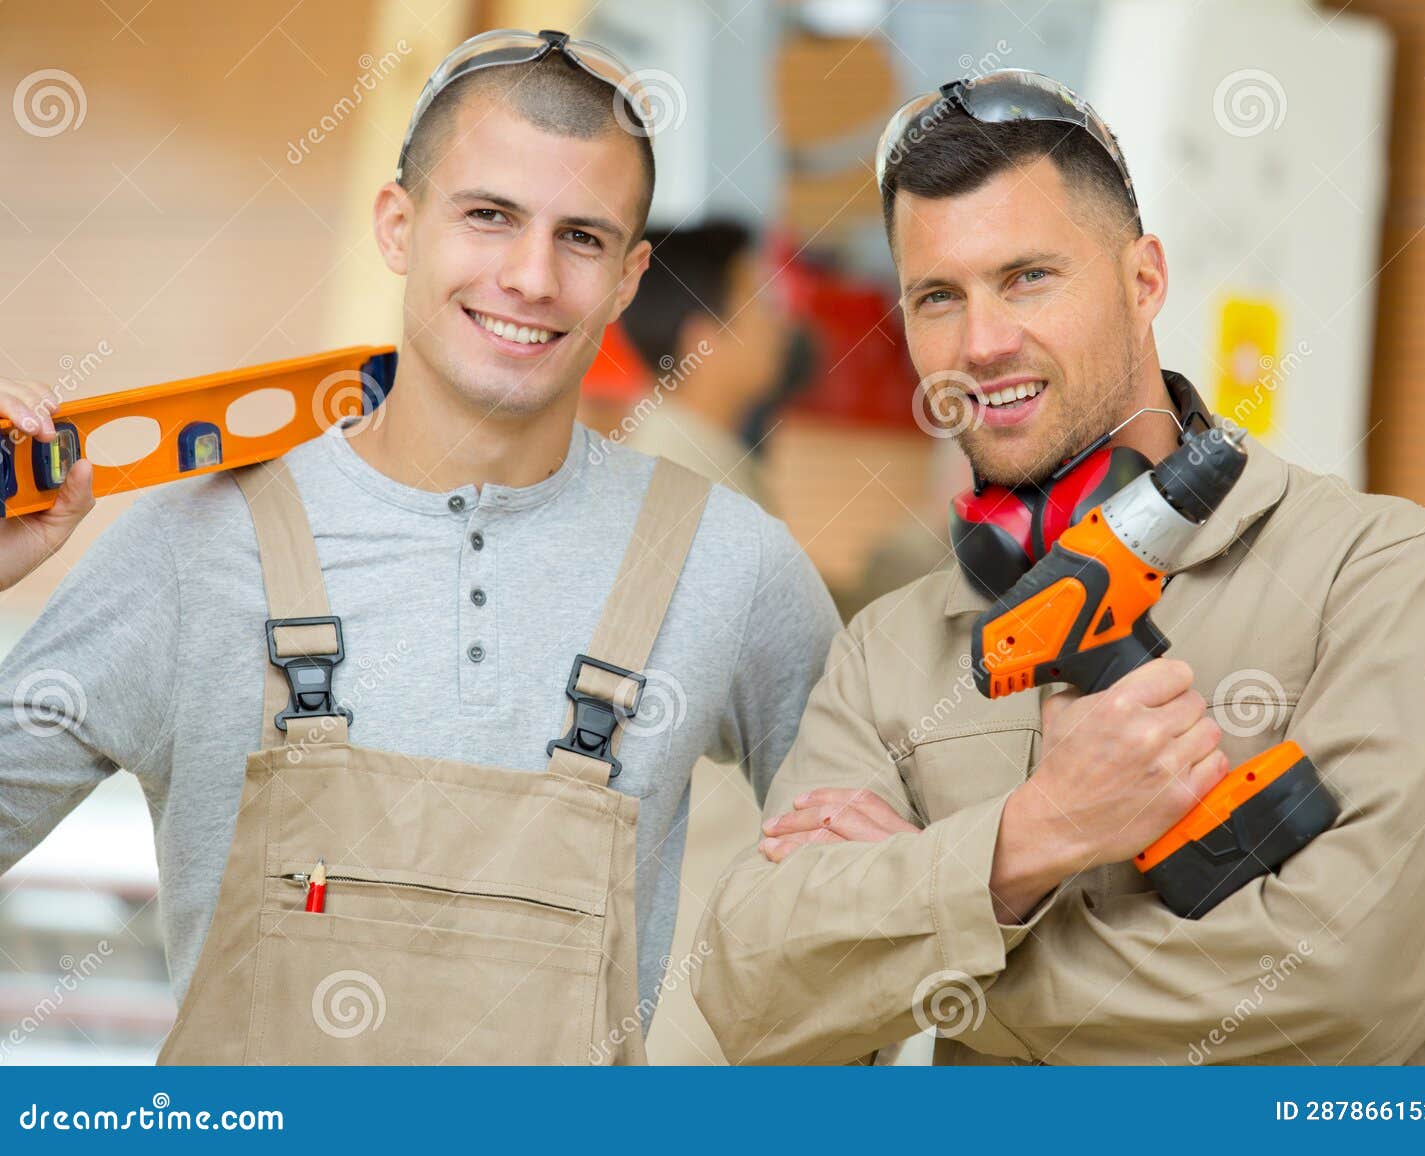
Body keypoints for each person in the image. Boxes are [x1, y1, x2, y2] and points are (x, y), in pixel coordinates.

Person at [0, 29, 838, 1064]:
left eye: (581, 237)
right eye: (488, 216)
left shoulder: (730, 565)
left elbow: (864, 911)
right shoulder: (195, 546)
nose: (530, 277)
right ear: (398, 223)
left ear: (628, 278)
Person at [692, 70, 1425, 1065]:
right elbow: (749, 988)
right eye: (936, 296)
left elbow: (1348, 984)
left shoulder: (1375, 572)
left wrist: (933, 954)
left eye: (1028, 278)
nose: (982, 343)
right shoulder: (893, 648)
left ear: (1143, 281)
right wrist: (1031, 835)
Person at [617, 220, 795, 511]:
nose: (779, 323)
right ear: (703, 341)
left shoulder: (694, 454)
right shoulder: (680, 486)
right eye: (759, 301)